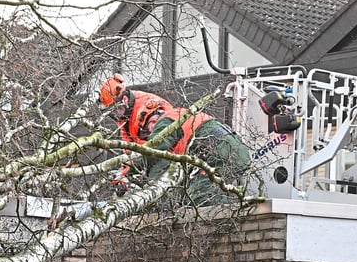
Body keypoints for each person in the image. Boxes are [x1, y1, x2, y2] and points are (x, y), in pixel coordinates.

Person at [98, 74, 251, 203]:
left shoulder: (160, 116)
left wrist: (139, 177)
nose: (150, 130)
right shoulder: (128, 124)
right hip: (222, 150)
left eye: (118, 109)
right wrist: (124, 176)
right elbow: (133, 155)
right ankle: (241, 205)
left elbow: (153, 152)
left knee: (199, 195)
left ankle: (246, 208)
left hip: (221, 149)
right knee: (195, 193)